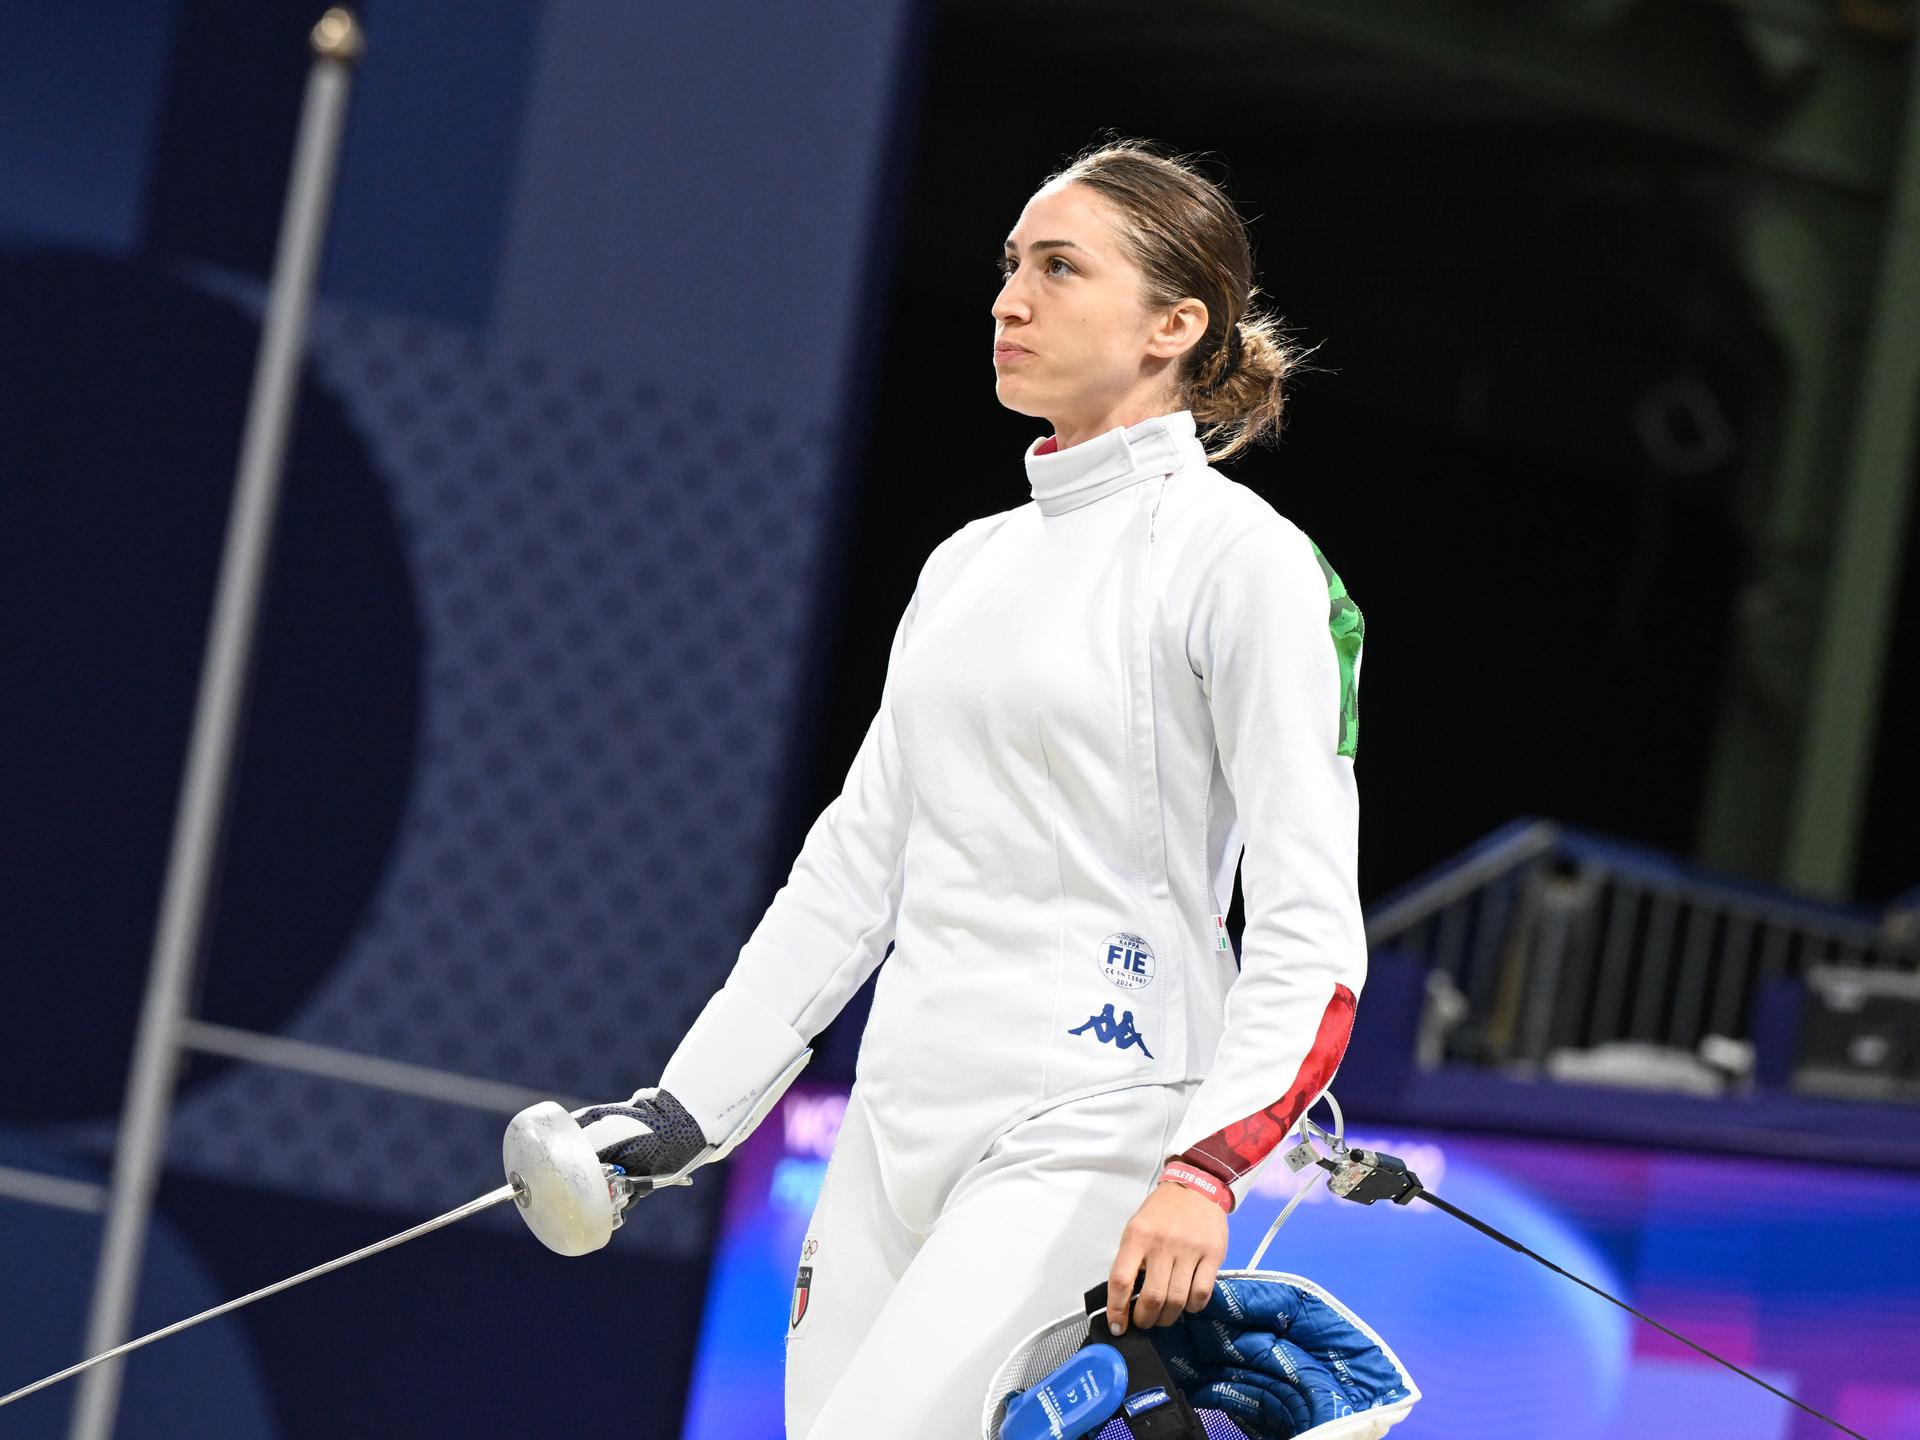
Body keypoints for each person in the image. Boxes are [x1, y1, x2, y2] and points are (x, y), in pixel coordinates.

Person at [571, 136, 1368, 1438]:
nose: (1009, 299)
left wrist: (1207, 1168)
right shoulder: (966, 566)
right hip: (896, 1119)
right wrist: (685, 1108)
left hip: (1093, 1118)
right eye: (1009, 266)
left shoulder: (1247, 564)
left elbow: (1309, 925)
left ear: (1175, 323)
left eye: (1059, 268)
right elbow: (853, 870)